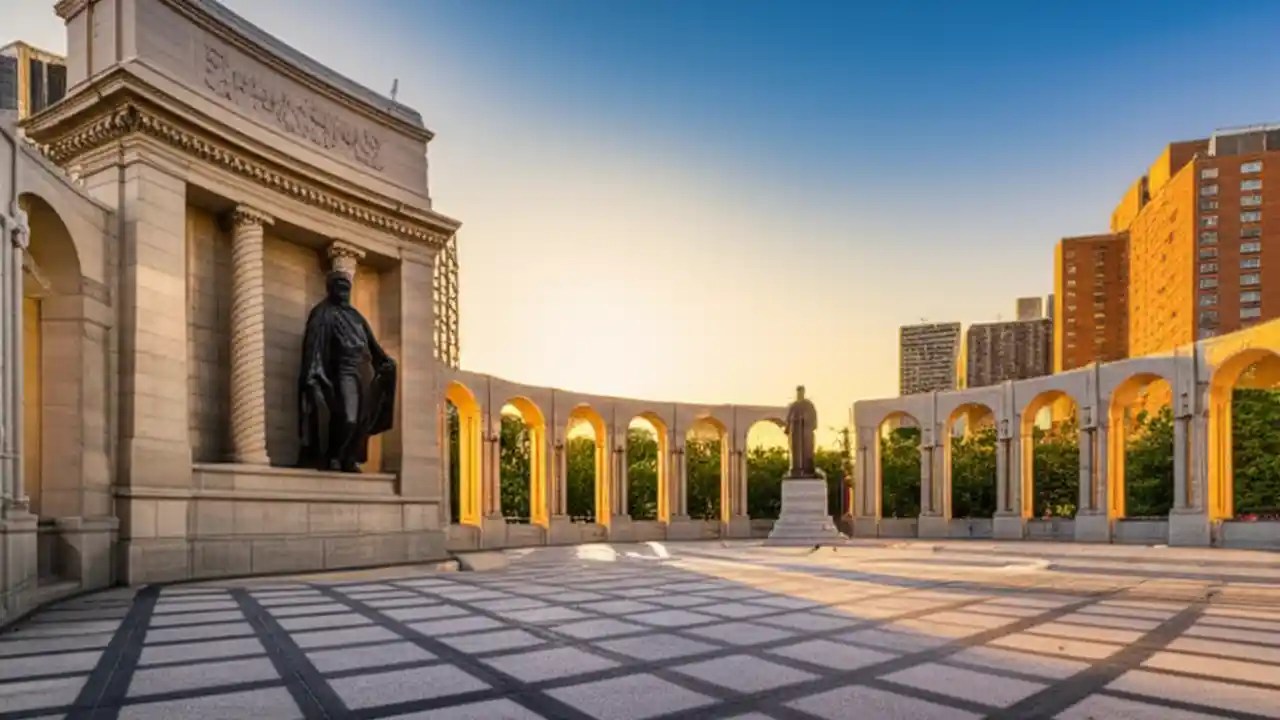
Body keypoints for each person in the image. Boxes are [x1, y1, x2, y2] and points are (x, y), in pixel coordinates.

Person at [296, 271, 396, 472]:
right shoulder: (323, 312)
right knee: (348, 417)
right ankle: (334, 455)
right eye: (339, 285)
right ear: (330, 288)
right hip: (344, 369)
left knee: (362, 419)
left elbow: (372, 344)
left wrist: (386, 361)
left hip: (364, 369)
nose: (343, 290)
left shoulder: (355, 316)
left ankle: (348, 458)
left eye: (346, 286)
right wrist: (313, 374)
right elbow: (313, 346)